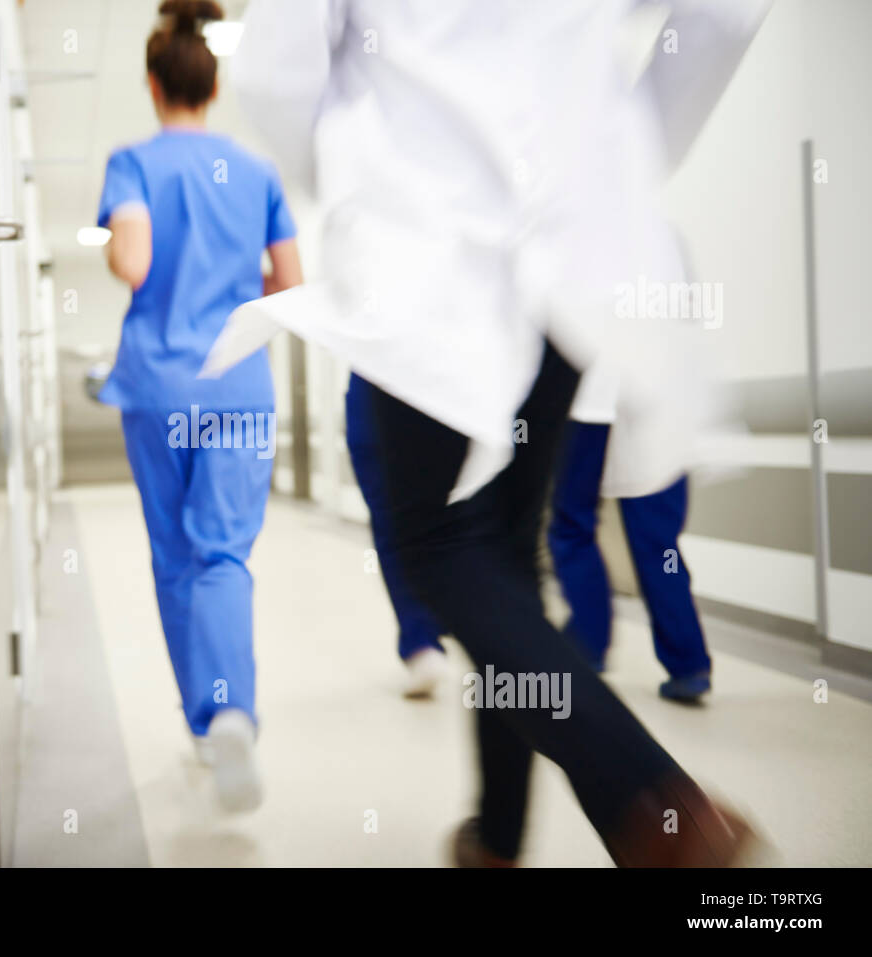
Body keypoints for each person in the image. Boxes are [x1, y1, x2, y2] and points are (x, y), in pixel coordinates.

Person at [216, 0, 770, 864]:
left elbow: (272, 67)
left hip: (427, 246)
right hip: (569, 252)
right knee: (502, 567)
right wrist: (618, 158)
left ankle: (655, 802)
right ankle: (499, 834)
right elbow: (724, 15)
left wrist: (356, 178)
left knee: (444, 553)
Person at [96, 0, 303, 813]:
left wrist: (126, 243)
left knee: (173, 555)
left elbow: (135, 262)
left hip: (158, 387)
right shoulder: (256, 173)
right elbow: (289, 284)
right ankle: (232, 714)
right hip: (239, 384)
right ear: (212, 86)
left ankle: (202, 719)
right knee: (223, 554)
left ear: (154, 84)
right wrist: (227, 281)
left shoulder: (132, 163)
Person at [549, 407, 714, 701]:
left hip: (589, 406)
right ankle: (689, 665)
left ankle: (587, 647)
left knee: (573, 526)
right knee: (660, 543)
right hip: (655, 403)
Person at [345, 372, 447, 697]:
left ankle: (422, 642)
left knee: (390, 515)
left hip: (383, 367)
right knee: (435, 513)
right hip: (437, 373)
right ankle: (429, 634)